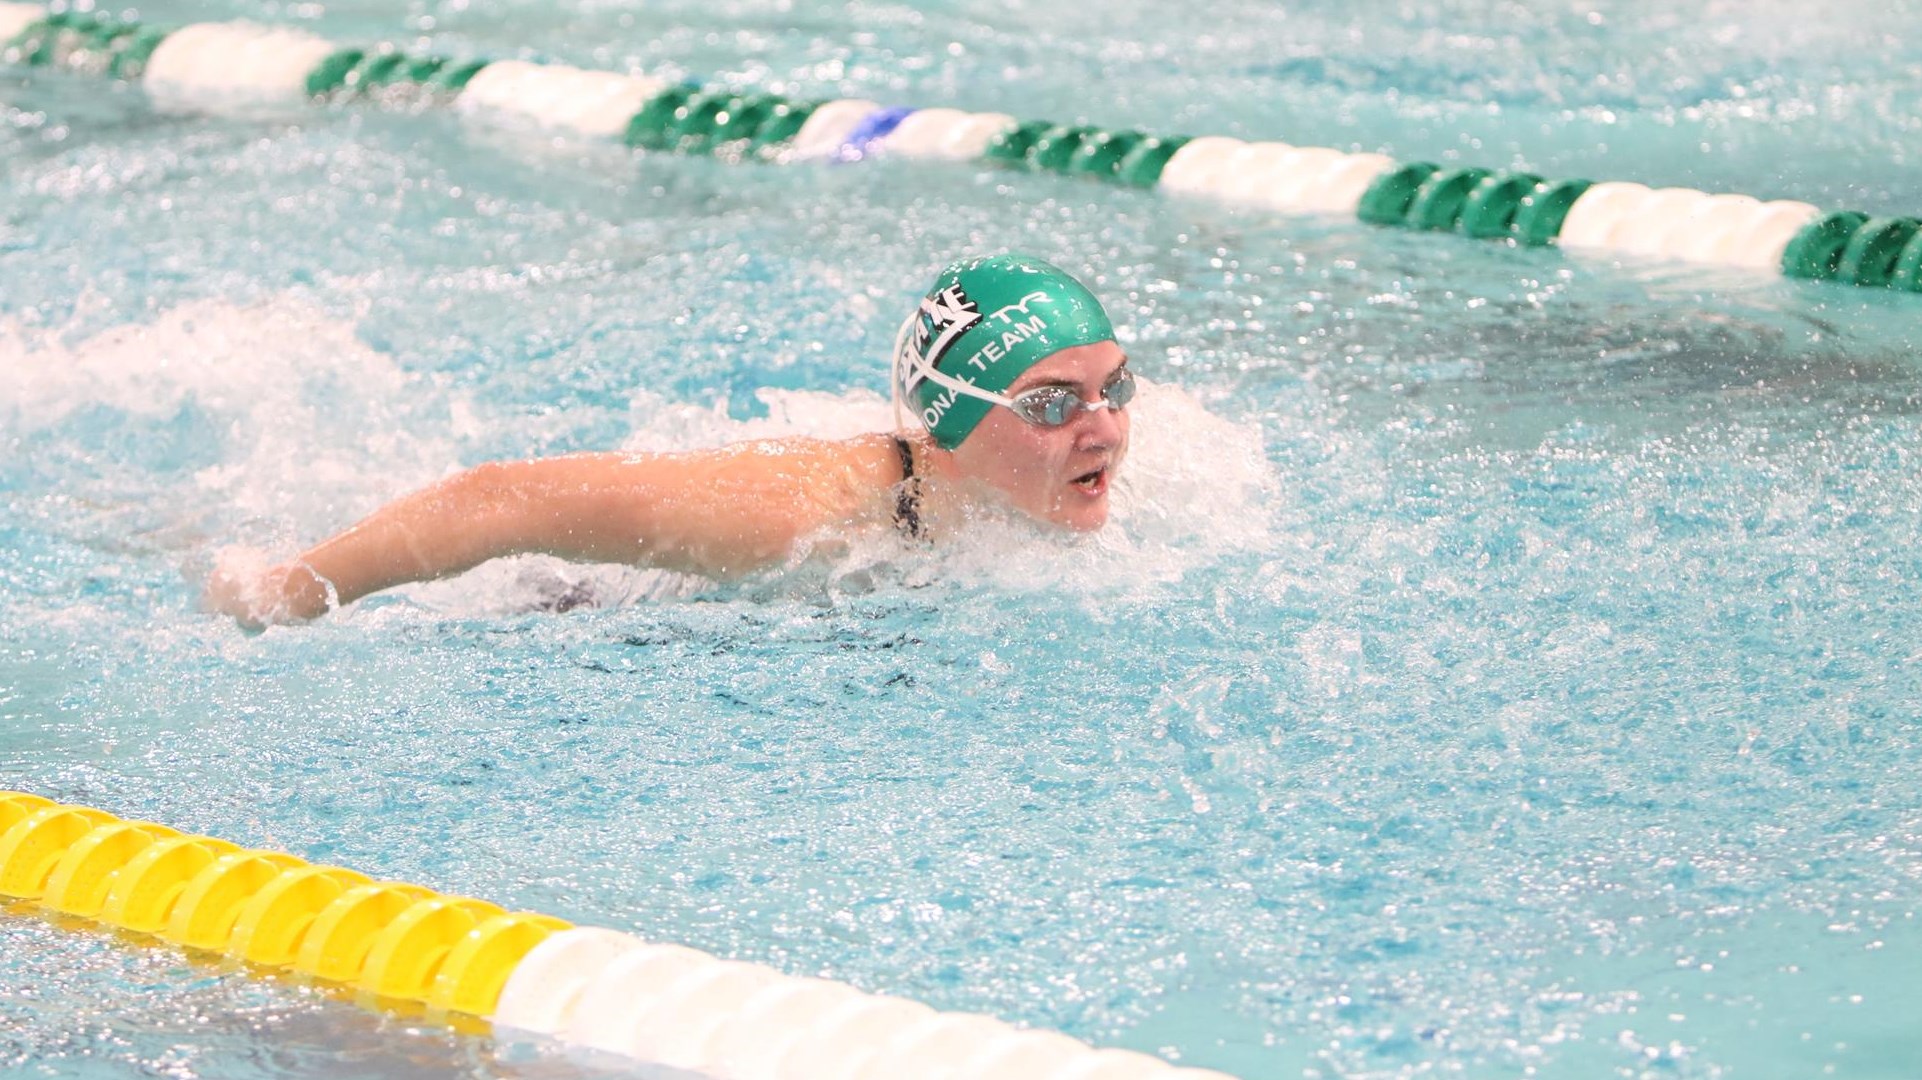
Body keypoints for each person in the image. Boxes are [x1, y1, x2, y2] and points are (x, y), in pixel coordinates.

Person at [205, 253, 1137, 626]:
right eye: (1051, 405)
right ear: (948, 426)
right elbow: (500, 499)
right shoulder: (798, 514)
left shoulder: (1108, 470)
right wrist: (281, 592)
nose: (1101, 429)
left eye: (1115, 389)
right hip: (559, 602)